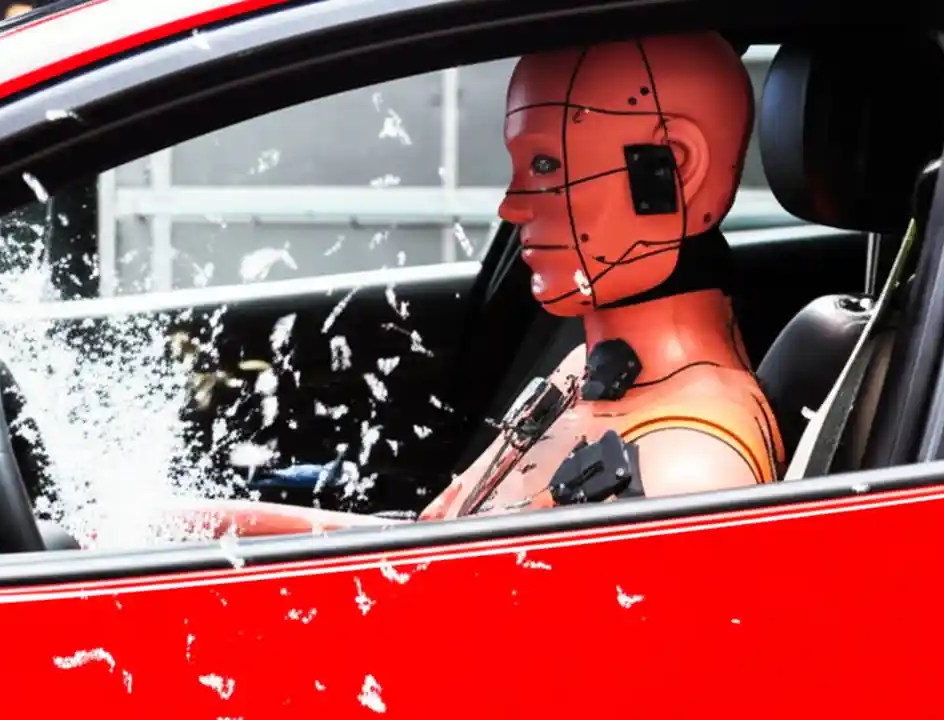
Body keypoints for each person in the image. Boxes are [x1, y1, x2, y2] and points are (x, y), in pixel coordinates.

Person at [184, 31, 783, 538]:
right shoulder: (590, 371)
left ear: (674, 166)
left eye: (546, 166)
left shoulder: (684, 476)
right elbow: (433, 543)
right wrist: (199, 524)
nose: (511, 205)